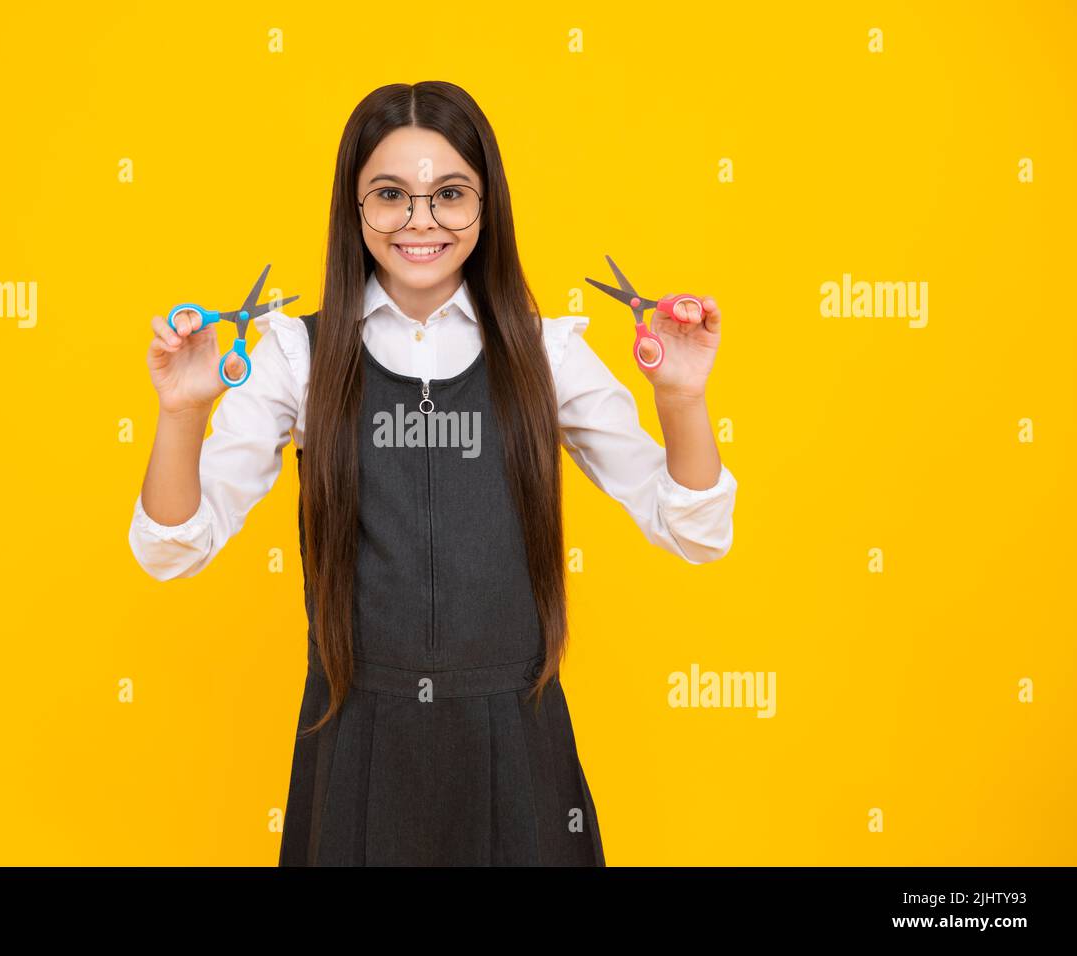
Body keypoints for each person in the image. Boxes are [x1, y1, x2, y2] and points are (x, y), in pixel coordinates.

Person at [130, 80, 738, 866]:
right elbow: (172, 548)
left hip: (518, 748)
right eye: (390, 195)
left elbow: (695, 530)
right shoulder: (294, 354)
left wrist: (682, 397)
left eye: (450, 193)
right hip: (358, 745)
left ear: (488, 208)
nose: (421, 222)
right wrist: (181, 413)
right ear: (355, 209)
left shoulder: (545, 351)